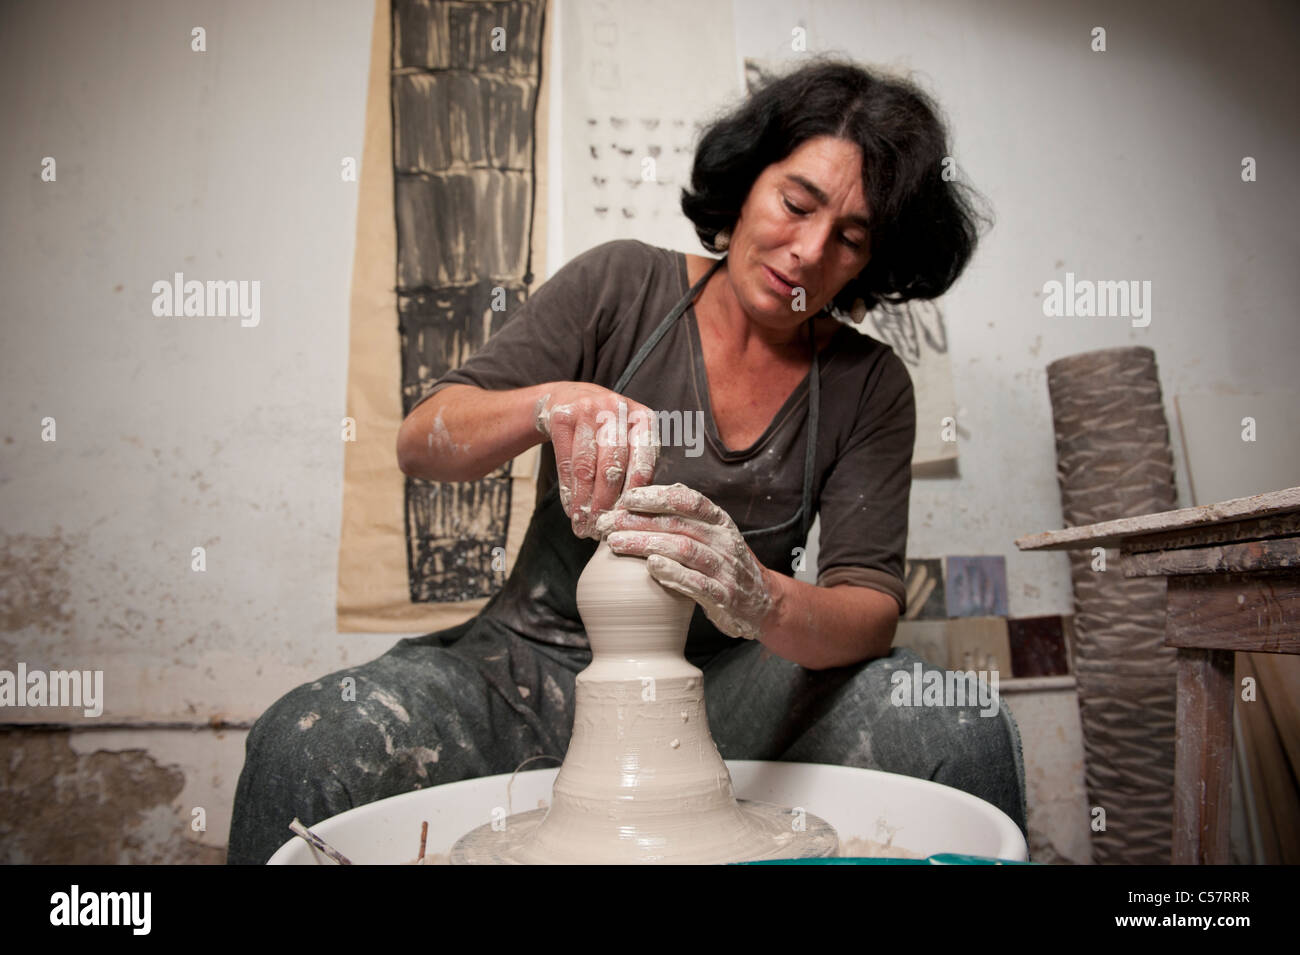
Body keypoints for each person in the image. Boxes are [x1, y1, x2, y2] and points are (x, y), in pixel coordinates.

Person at [228, 59, 1026, 864]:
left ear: (871, 263)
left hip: (724, 691)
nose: (808, 251)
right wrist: (547, 403)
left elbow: (868, 606)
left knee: (962, 724)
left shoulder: (869, 384)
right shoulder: (620, 286)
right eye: (796, 202)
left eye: (850, 239)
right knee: (309, 742)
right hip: (529, 671)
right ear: (749, 182)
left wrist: (761, 599)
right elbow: (423, 440)